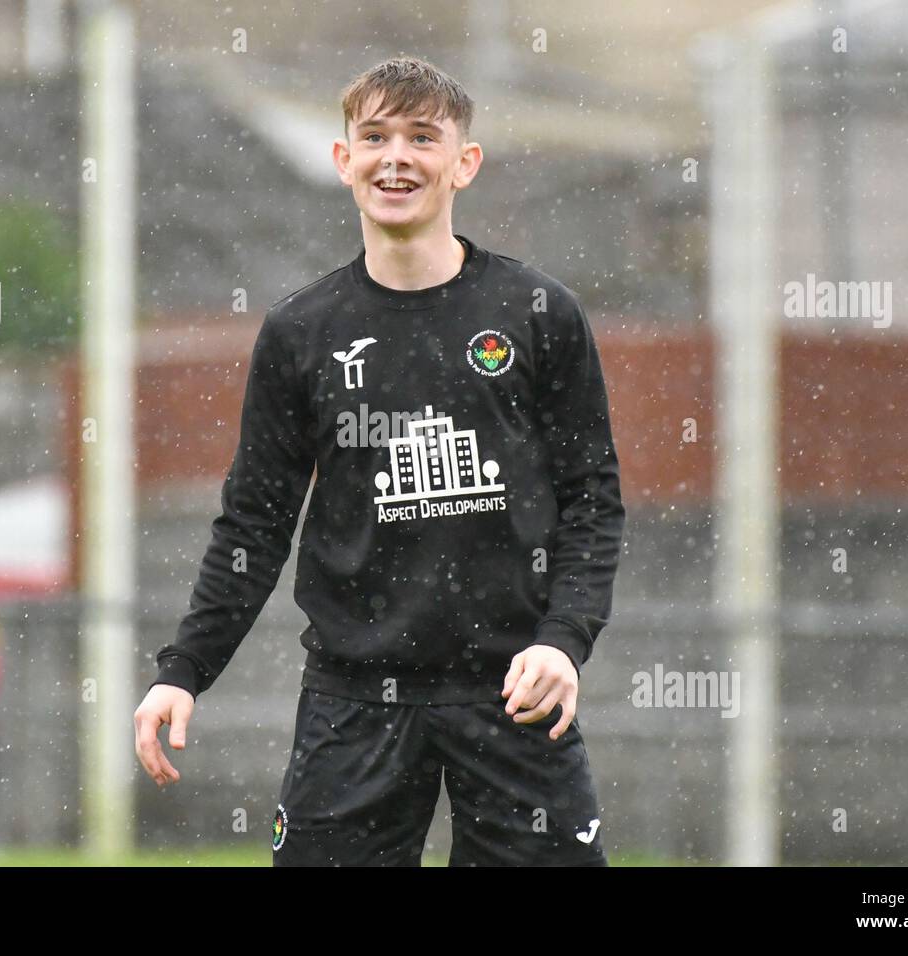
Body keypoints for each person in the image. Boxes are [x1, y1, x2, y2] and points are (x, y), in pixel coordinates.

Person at [134, 55, 625, 866]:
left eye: (422, 137)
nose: (396, 156)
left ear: (463, 162)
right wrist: (183, 670)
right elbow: (254, 524)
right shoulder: (302, 332)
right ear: (345, 160)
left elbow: (592, 501)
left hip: (513, 697)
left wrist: (563, 640)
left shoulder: (538, 314)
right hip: (354, 704)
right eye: (375, 136)